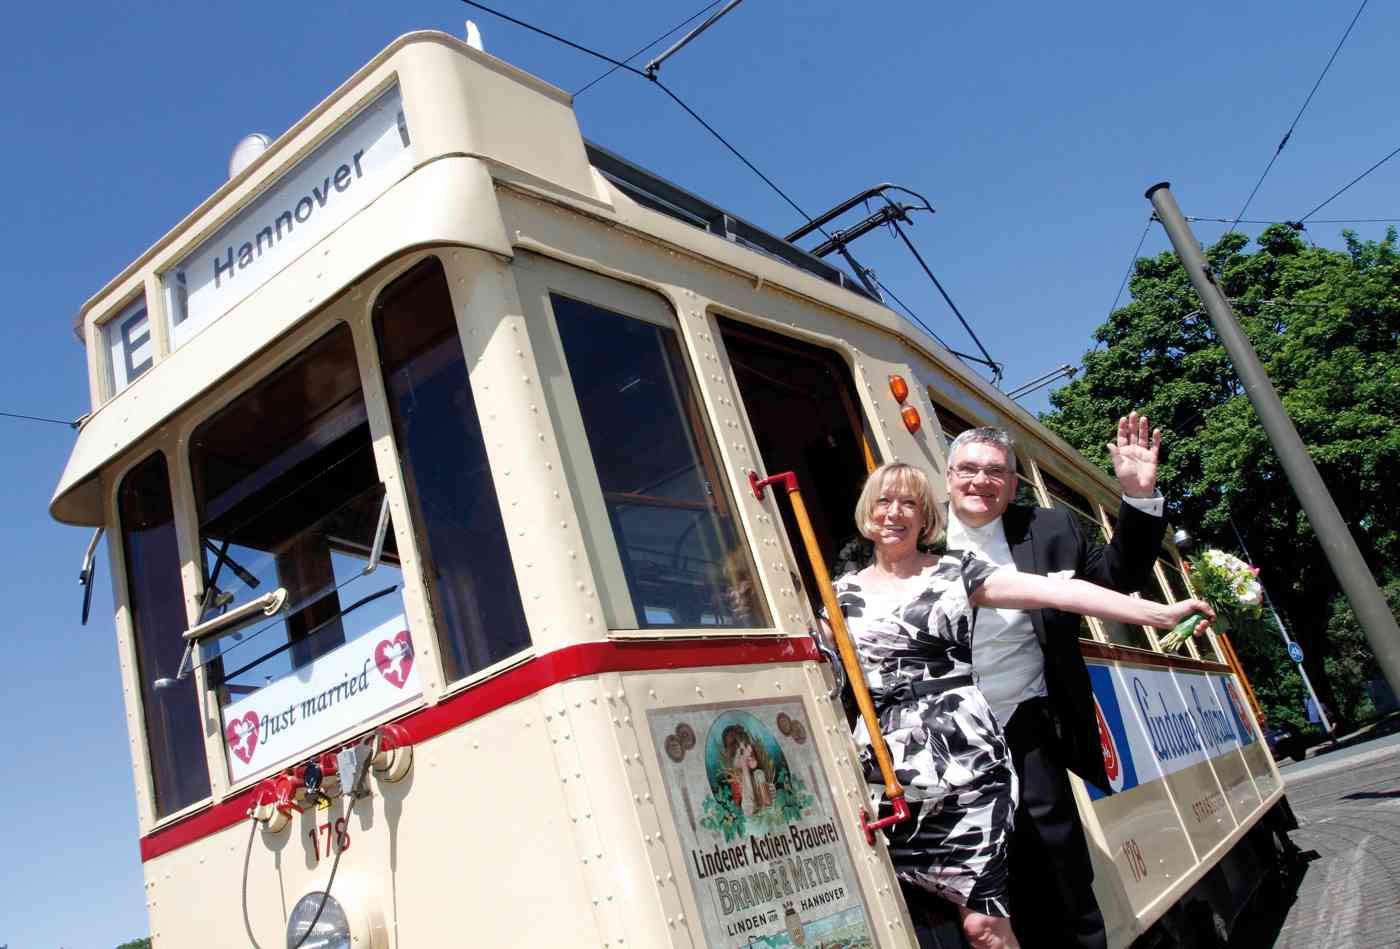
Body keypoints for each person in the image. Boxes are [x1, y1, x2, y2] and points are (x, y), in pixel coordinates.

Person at [824, 460, 1208, 949]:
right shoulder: (840, 597)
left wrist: (1159, 612)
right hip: (892, 771)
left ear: (925, 518)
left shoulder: (957, 573)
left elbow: (1059, 592)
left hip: (967, 759)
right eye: (884, 501)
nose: (895, 513)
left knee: (983, 925)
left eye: (909, 504)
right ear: (867, 512)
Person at [944, 414, 1164, 949]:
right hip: (948, 740)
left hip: (1027, 722)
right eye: (968, 469)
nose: (981, 481)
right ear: (947, 477)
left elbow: (1118, 579)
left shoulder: (1049, 529)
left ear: (1013, 485)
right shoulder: (917, 536)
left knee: (1061, 864)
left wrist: (1137, 496)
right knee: (980, 881)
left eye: (996, 472)